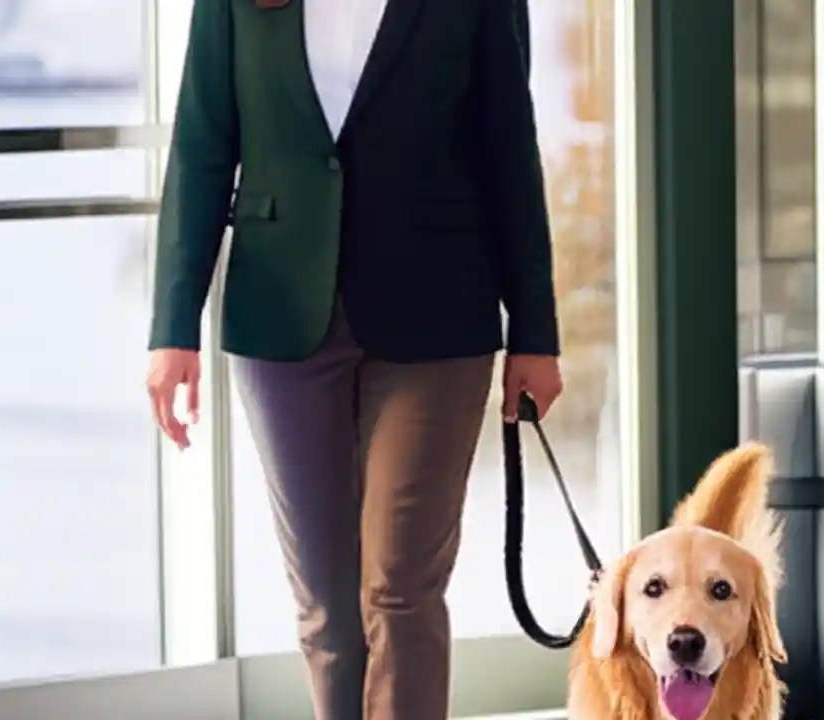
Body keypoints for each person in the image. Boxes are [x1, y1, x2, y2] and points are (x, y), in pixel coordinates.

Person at [144, 1, 562, 718]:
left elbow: (509, 151)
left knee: (400, 589)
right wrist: (171, 325)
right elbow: (202, 146)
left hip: (438, 316)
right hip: (280, 318)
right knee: (327, 607)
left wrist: (536, 330)